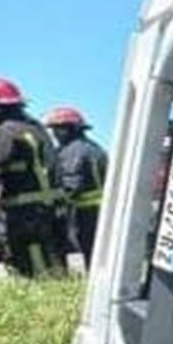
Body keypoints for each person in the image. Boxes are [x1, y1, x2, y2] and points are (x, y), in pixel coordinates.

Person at [0, 78, 66, 277]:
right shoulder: (35, 128)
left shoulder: (5, 131)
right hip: (48, 207)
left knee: (32, 265)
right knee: (52, 259)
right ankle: (57, 288)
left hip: (25, 211)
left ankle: (45, 293)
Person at [45, 106, 107, 267]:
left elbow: (70, 186)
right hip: (101, 210)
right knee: (97, 252)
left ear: (72, 129)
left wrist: (48, 203)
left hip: (85, 211)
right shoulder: (95, 148)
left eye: (58, 129)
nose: (55, 134)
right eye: (53, 129)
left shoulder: (72, 151)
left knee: (89, 249)